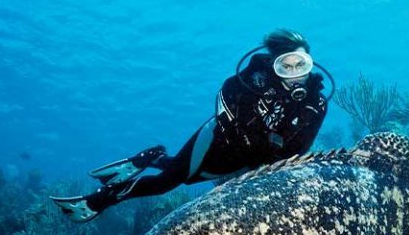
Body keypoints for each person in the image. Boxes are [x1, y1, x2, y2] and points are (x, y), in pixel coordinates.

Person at [51, 29, 333, 222]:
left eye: (302, 65)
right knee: (168, 182)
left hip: (250, 163)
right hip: (216, 142)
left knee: (181, 173)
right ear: (274, 64)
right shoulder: (253, 80)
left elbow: (300, 150)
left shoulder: (316, 104)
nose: (295, 74)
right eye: (287, 66)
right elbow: (227, 95)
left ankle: (152, 157)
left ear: (311, 63)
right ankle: (99, 200)